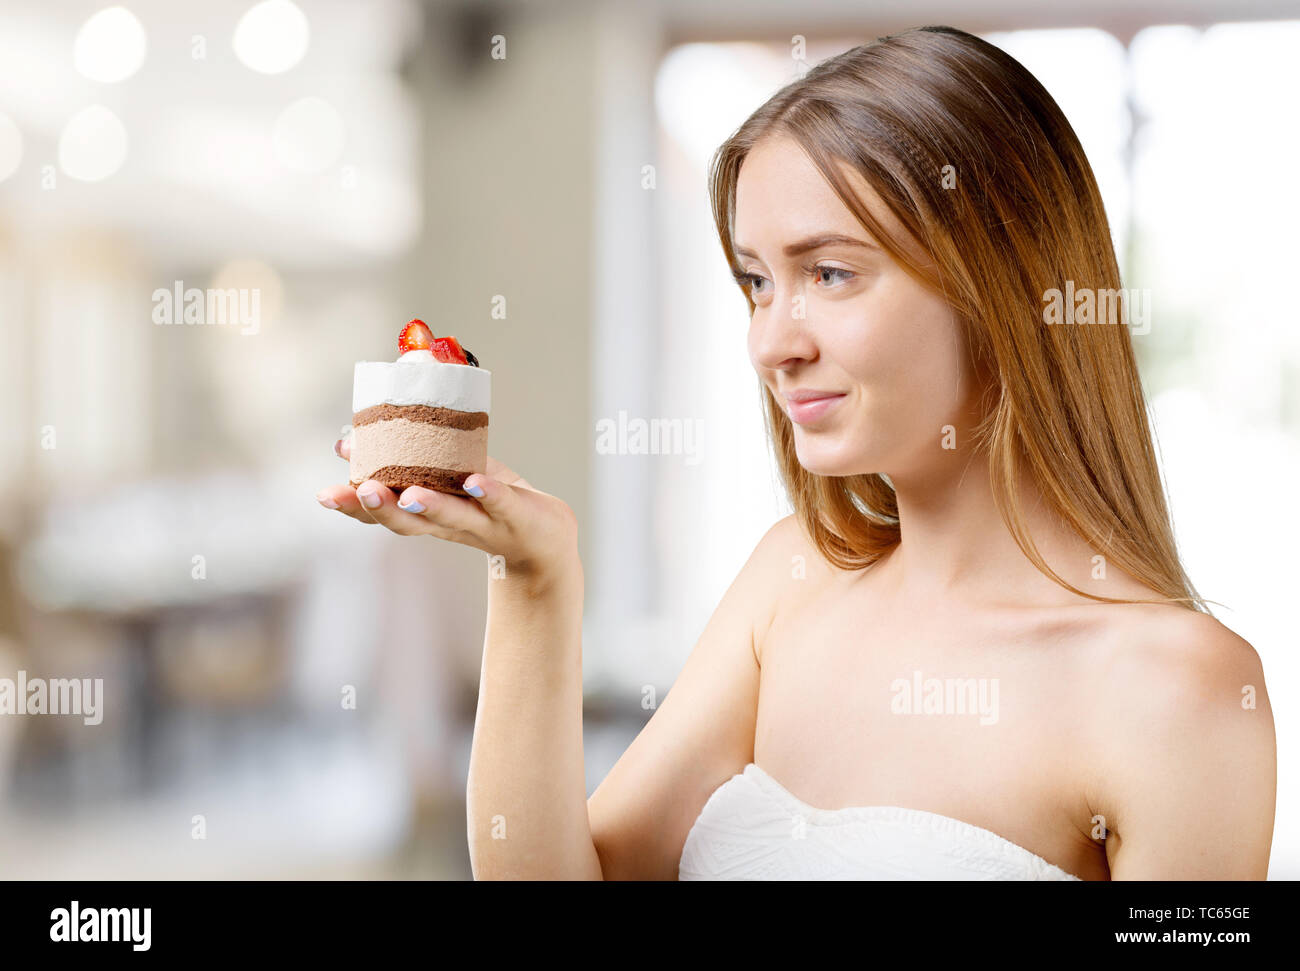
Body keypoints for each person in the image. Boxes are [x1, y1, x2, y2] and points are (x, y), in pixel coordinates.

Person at [316, 25, 1276, 880]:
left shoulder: (1176, 690)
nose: (774, 341)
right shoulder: (792, 579)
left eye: (829, 272)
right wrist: (534, 576)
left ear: (1006, 282)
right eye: (757, 282)